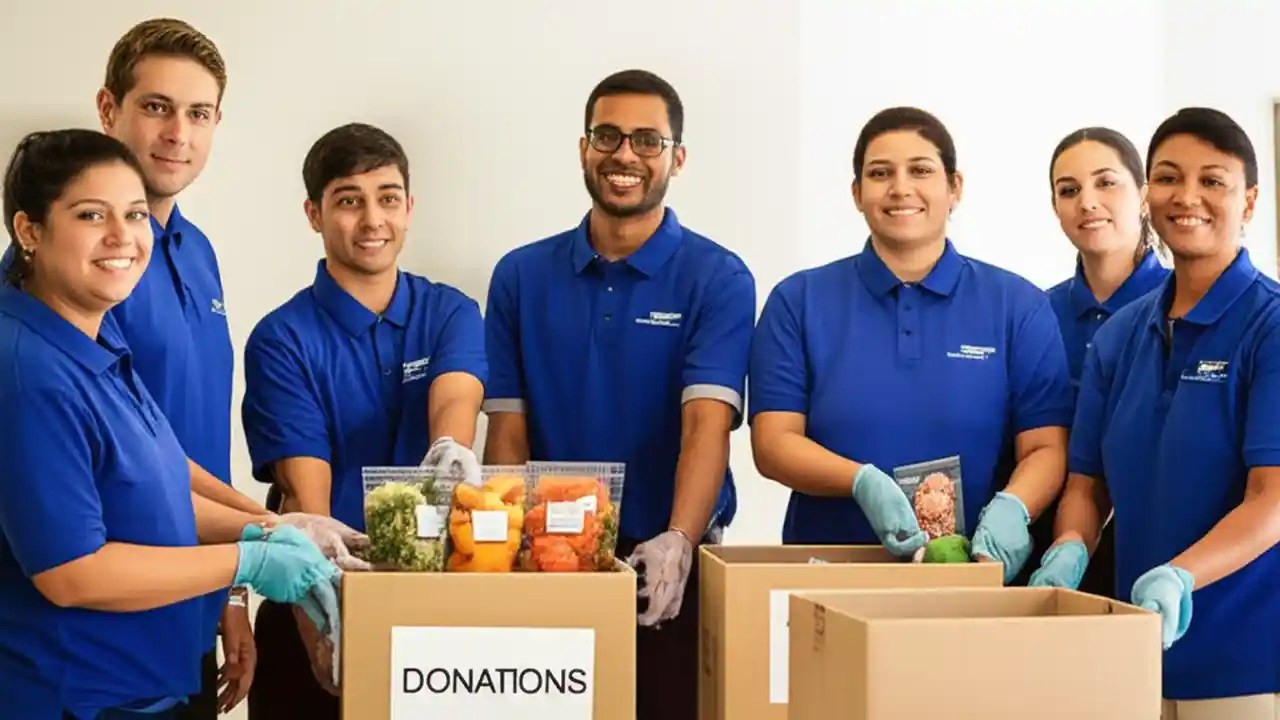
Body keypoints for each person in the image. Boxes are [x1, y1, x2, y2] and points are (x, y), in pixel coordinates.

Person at [0, 128, 341, 720]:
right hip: (74, 696)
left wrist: (262, 526)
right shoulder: (28, 372)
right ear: (29, 231)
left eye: (134, 214)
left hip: (145, 686)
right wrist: (247, 561)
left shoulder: (95, 334)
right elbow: (72, 572)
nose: (123, 237)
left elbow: (151, 483)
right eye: (90, 214)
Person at [482, 69, 755, 720]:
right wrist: (500, 552)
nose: (624, 154)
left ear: (676, 158)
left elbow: (705, 428)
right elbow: (508, 433)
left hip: (668, 559)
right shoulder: (521, 275)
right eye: (607, 136)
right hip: (551, 558)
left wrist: (678, 543)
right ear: (584, 149)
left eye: (646, 140)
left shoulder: (717, 277)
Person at [748, 107, 1075, 585]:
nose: (900, 188)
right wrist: (861, 482)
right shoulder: (798, 301)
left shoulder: (1016, 304)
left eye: (920, 170)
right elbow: (773, 443)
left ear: (954, 187)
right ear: (857, 193)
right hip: (827, 578)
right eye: (880, 174)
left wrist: (1014, 507)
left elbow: (1046, 445)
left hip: (971, 578)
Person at [1027, 108, 1280, 718]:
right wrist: (1069, 546)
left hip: (1245, 656)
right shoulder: (1120, 336)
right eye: (1168, 178)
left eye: (1212, 181)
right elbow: (1088, 485)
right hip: (1133, 650)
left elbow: (1272, 498)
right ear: (1147, 195)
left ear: (1248, 200)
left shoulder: (1268, 326)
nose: (1186, 196)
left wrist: (1180, 576)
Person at [240, 122, 488, 718]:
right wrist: (322, 626)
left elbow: (453, 399)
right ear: (314, 213)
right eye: (349, 200)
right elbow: (307, 497)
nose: (373, 219)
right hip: (317, 596)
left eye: (388, 197)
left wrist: (450, 445)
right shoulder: (282, 338)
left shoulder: (450, 311)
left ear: (410, 208)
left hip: (434, 609)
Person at [1031, 128, 1170, 598]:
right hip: (1052, 546)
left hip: (1158, 548)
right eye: (1069, 190)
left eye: (1106, 182)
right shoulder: (1036, 315)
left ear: (1145, 195)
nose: (1087, 202)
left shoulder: (1181, 306)